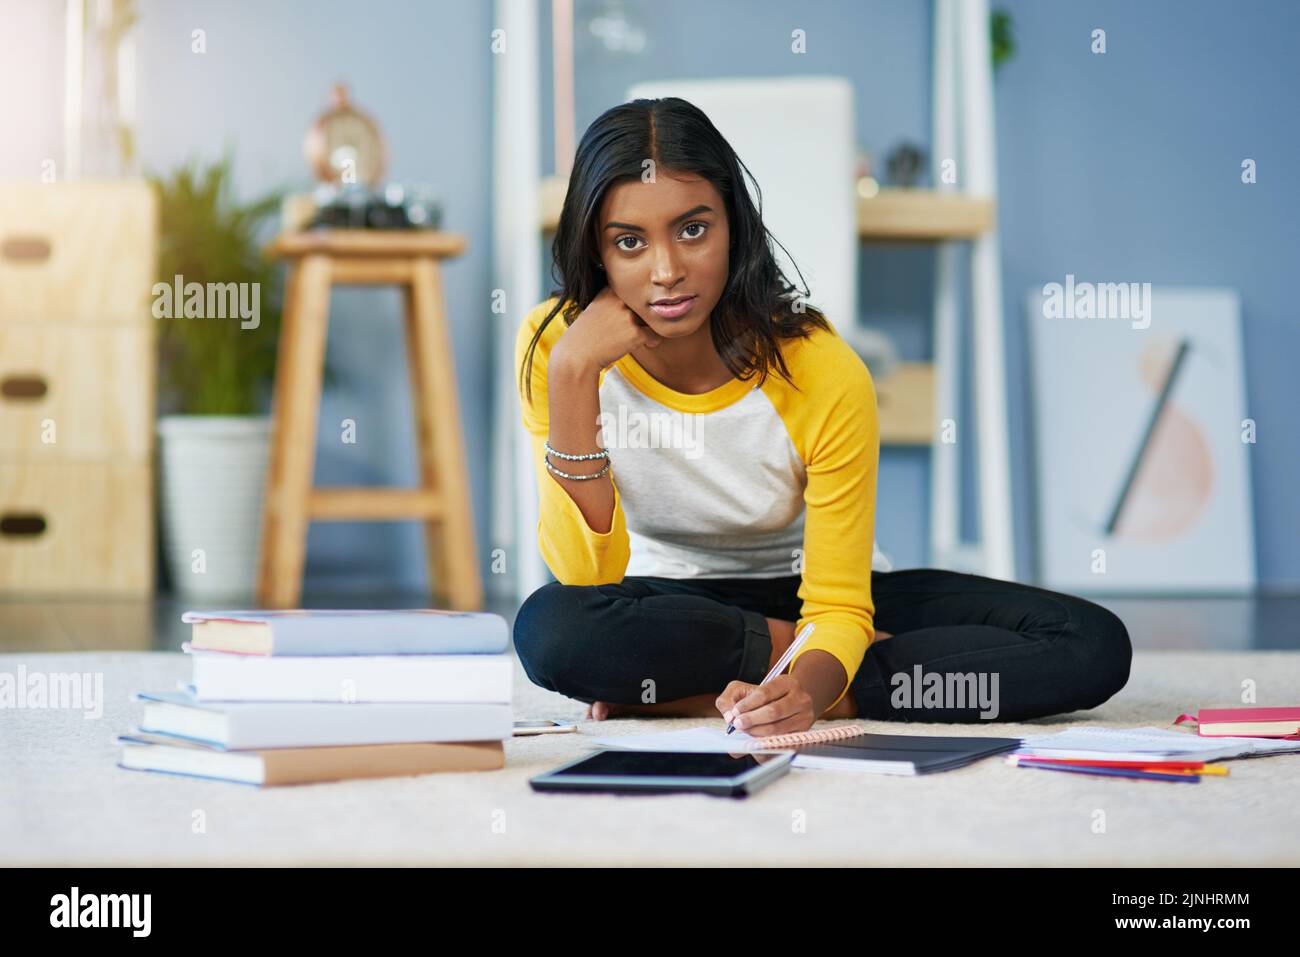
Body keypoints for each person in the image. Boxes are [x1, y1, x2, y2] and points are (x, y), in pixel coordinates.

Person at [513, 97, 1131, 738]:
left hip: (818, 588)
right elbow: (586, 577)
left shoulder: (820, 368)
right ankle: (811, 670)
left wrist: (808, 687)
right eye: (630, 242)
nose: (666, 271)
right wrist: (573, 377)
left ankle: (715, 693)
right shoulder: (559, 349)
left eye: (693, 230)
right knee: (551, 630)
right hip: (668, 605)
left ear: (734, 225)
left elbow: (837, 602)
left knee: (1089, 643)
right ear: (596, 249)